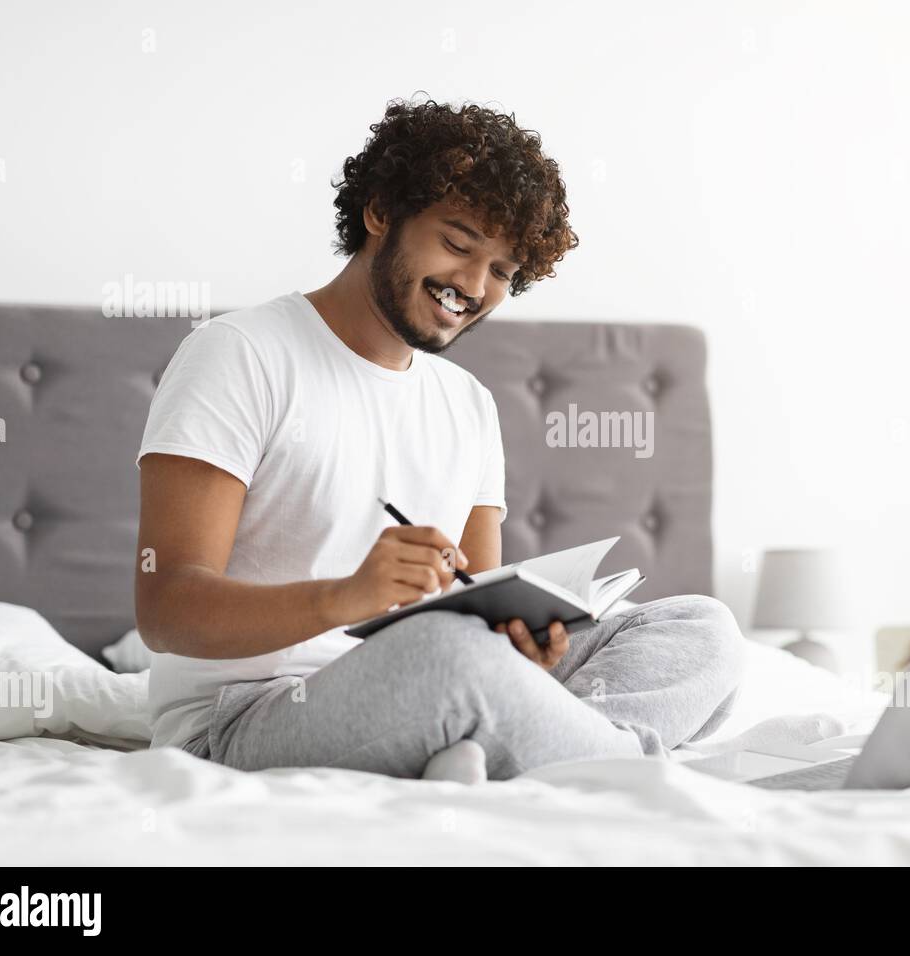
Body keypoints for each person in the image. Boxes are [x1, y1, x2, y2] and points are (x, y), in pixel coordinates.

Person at [134, 97, 744, 783]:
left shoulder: (469, 405)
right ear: (380, 212)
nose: (473, 286)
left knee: (701, 628)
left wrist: (520, 649)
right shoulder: (238, 353)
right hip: (240, 719)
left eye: (503, 271)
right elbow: (166, 610)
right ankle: (615, 769)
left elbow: (481, 606)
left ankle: (529, 742)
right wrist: (344, 597)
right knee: (447, 657)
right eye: (457, 244)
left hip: (430, 679)